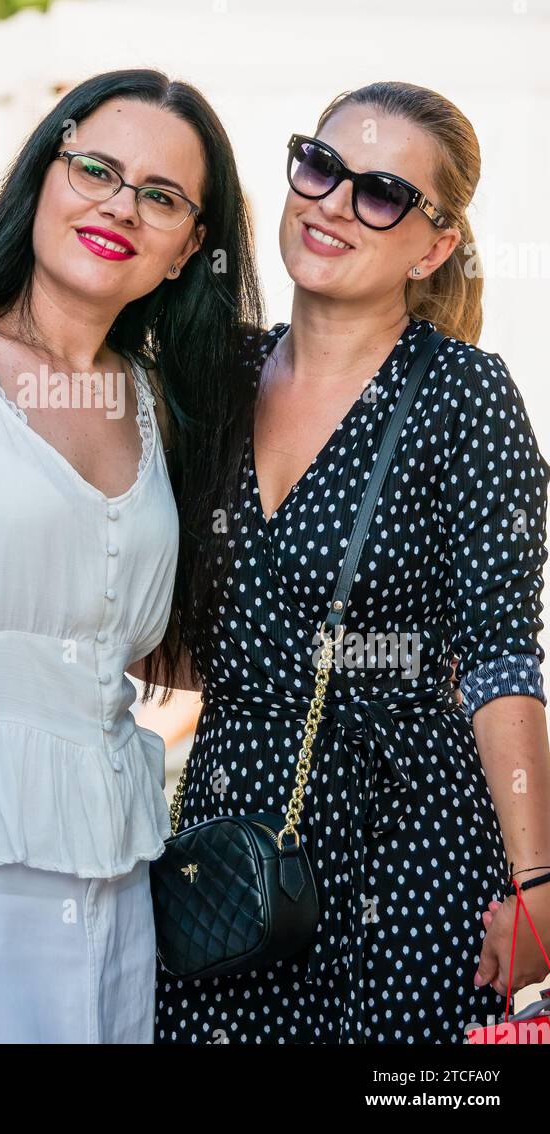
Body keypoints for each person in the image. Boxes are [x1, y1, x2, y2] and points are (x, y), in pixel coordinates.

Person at [0, 68, 263, 1043]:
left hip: (115, 874)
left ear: (186, 249)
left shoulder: (163, 404)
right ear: (44, 174)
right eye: (96, 169)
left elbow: (139, 639)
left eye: (159, 196)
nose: (119, 204)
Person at [153, 82, 550, 1043]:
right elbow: (157, 634)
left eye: (378, 192)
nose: (331, 202)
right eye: (320, 167)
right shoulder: (214, 373)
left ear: (434, 245)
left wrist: (537, 885)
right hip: (232, 844)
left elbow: (500, 659)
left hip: (409, 846)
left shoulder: (462, 394)